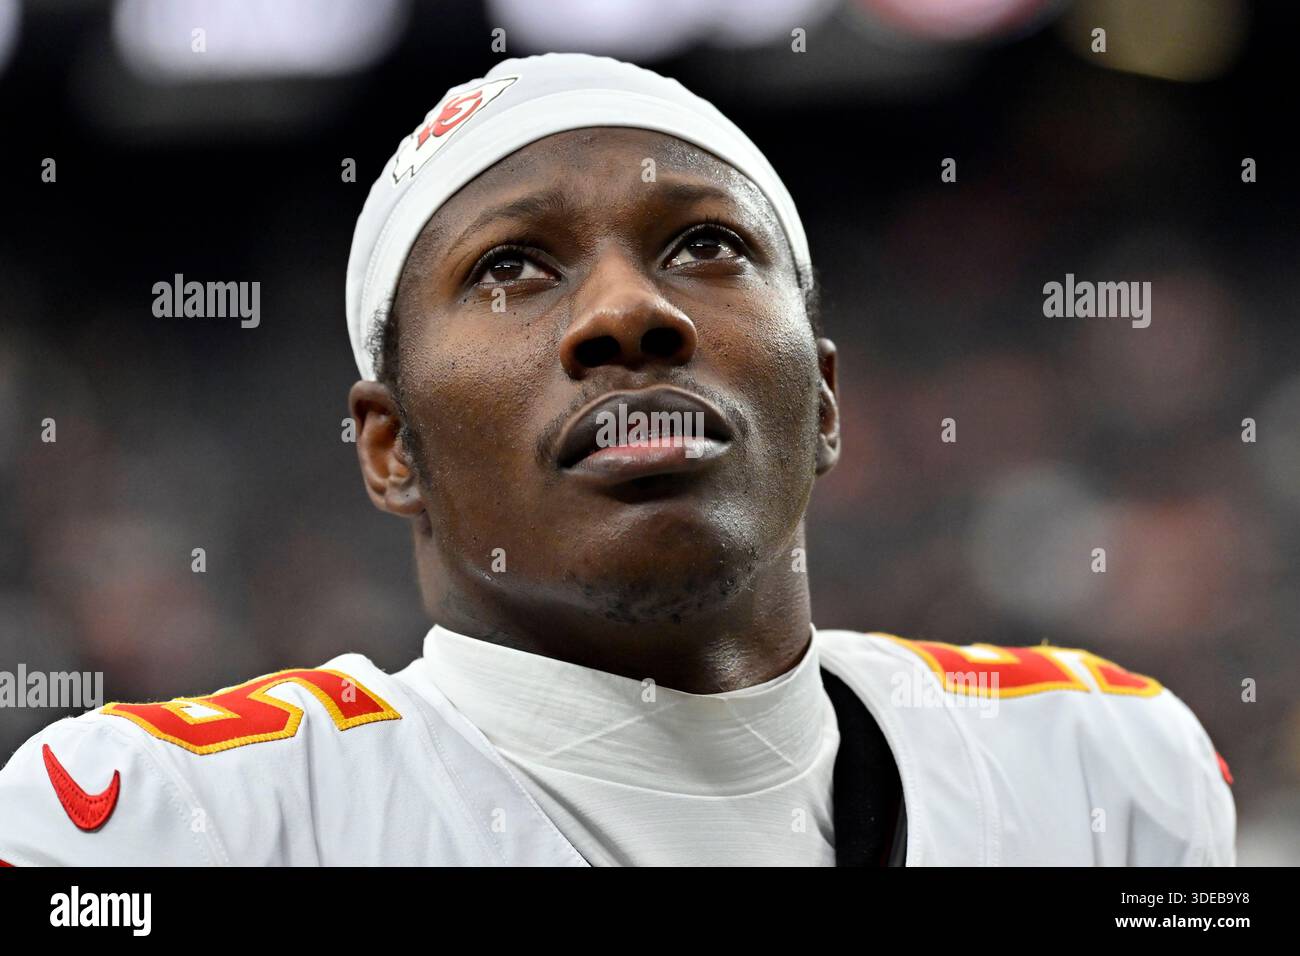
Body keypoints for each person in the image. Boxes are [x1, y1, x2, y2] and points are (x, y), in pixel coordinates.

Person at [0, 53, 1235, 866]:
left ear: (822, 398)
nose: (625, 313)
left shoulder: (1105, 769)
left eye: (702, 242)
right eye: (512, 267)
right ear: (391, 450)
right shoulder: (160, 826)